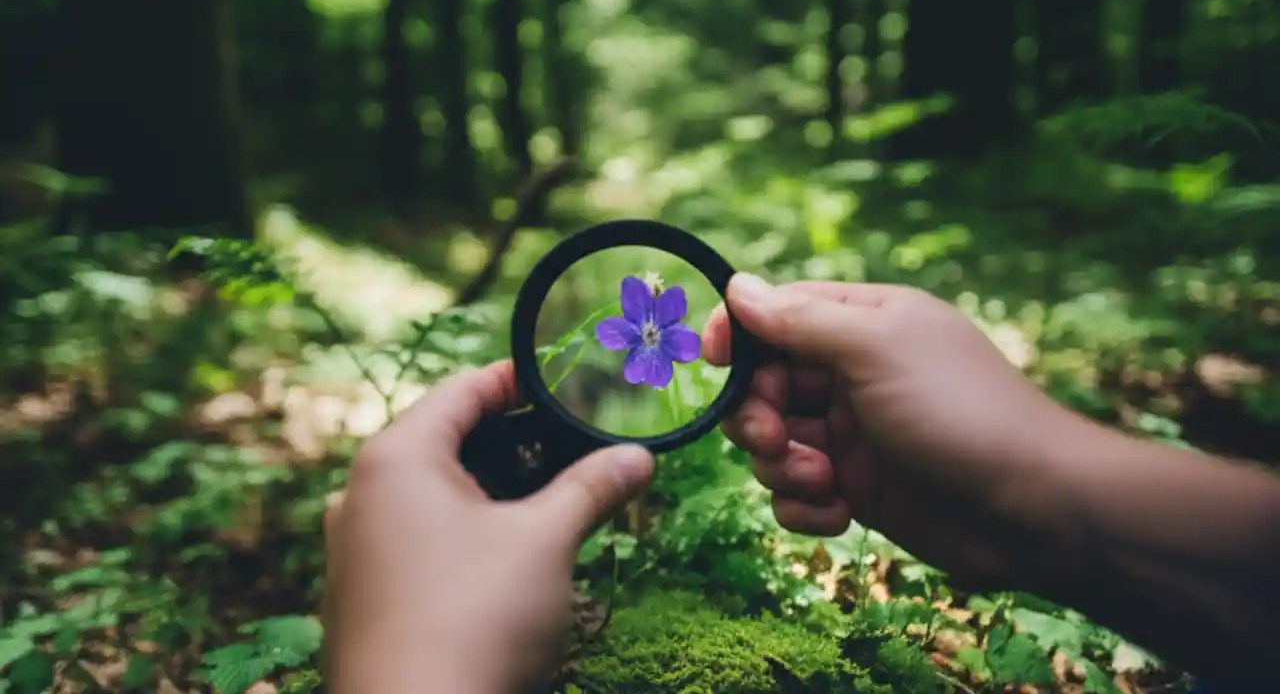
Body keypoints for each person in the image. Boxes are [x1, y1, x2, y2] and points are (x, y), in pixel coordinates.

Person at [322, 274, 1280, 692]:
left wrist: (414, 668)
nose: (649, 339)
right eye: (643, 332)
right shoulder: (635, 342)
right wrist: (1057, 511)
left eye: (657, 332)